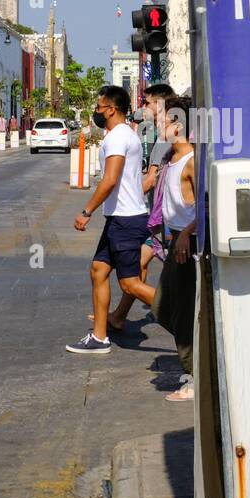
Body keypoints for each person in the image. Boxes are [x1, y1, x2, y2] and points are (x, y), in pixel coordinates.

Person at [67, 86, 155, 355]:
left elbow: (110, 179)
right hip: (121, 217)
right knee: (98, 270)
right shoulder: (126, 134)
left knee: (129, 283)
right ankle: (100, 337)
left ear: (111, 109)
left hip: (125, 220)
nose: (96, 111)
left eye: (99, 106)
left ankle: (183, 312)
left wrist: (87, 211)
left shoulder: (117, 138)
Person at [99, 84, 177, 334]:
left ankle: (179, 314)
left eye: (148, 102)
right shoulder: (162, 136)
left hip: (159, 217)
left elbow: (152, 179)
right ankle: (120, 316)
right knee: (136, 269)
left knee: (132, 278)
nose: (144, 107)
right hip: (158, 216)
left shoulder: (165, 138)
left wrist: (130, 197)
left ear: (161, 105)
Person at [152, 96, 197, 402]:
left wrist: (185, 236)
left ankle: (194, 376)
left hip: (187, 243)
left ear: (178, 125)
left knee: (181, 312)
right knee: (161, 308)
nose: (156, 123)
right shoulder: (171, 157)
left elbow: (208, 204)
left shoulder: (192, 161)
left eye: (162, 119)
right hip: (174, 241)